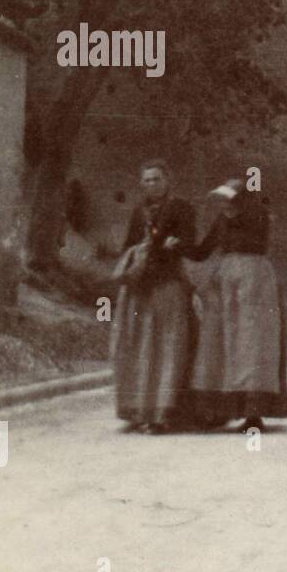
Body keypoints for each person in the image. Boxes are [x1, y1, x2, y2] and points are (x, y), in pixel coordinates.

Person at [186, 179, 287, 431]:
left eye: (229, 199)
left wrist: (233, 218)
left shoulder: (256, 215)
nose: (224, 204)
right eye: (222, 200)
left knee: (251, 341)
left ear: (241, 200)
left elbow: (253, 242)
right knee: (221, 340)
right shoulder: (223, 220)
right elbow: (202, 251)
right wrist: (177, 244)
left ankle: (253, 413)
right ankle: (218, 410)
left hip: (254, 278)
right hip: (226, 279)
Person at [110, 160, 197, 433]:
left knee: (165, 348)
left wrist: (176, 243)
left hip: (167, 282)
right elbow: (127, 244)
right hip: (140, 286)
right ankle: (138, 410)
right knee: (140, 347)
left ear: (168, 180)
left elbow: (189, 242)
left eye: (156, 179)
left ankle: (161, 413)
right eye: (147, 180)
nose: (151, 184)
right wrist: (139, 250)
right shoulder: (139, 211)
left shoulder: (182, 208)